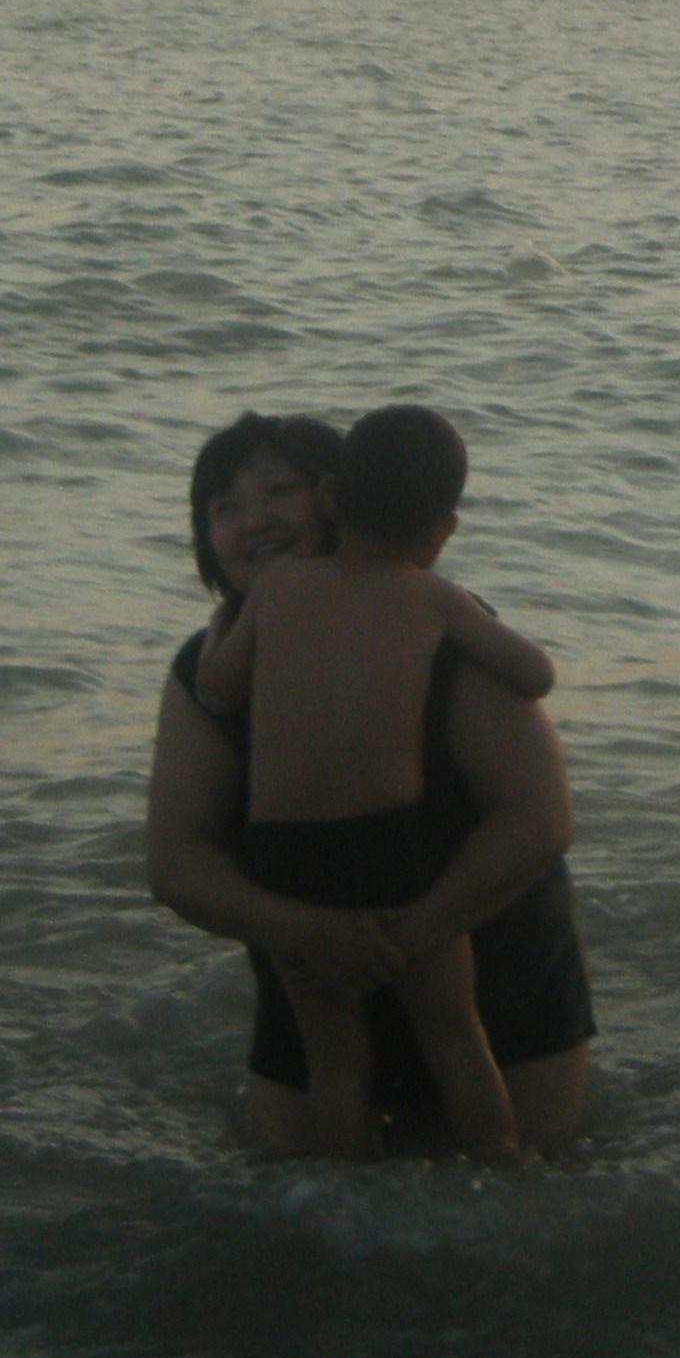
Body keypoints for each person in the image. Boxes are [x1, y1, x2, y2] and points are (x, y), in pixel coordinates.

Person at [144, 408, 595, 1155]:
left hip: (488, 959)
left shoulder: (438, 623)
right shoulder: (204, 665)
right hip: (310, 953)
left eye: (276, 491)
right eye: (224, 507)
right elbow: (175, 866)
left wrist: (405, 937)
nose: (252, 521)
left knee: (521, 1196)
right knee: (308, 1205)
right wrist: (315, 935)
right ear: (205, 538)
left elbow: (539, 819)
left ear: (333, 496)